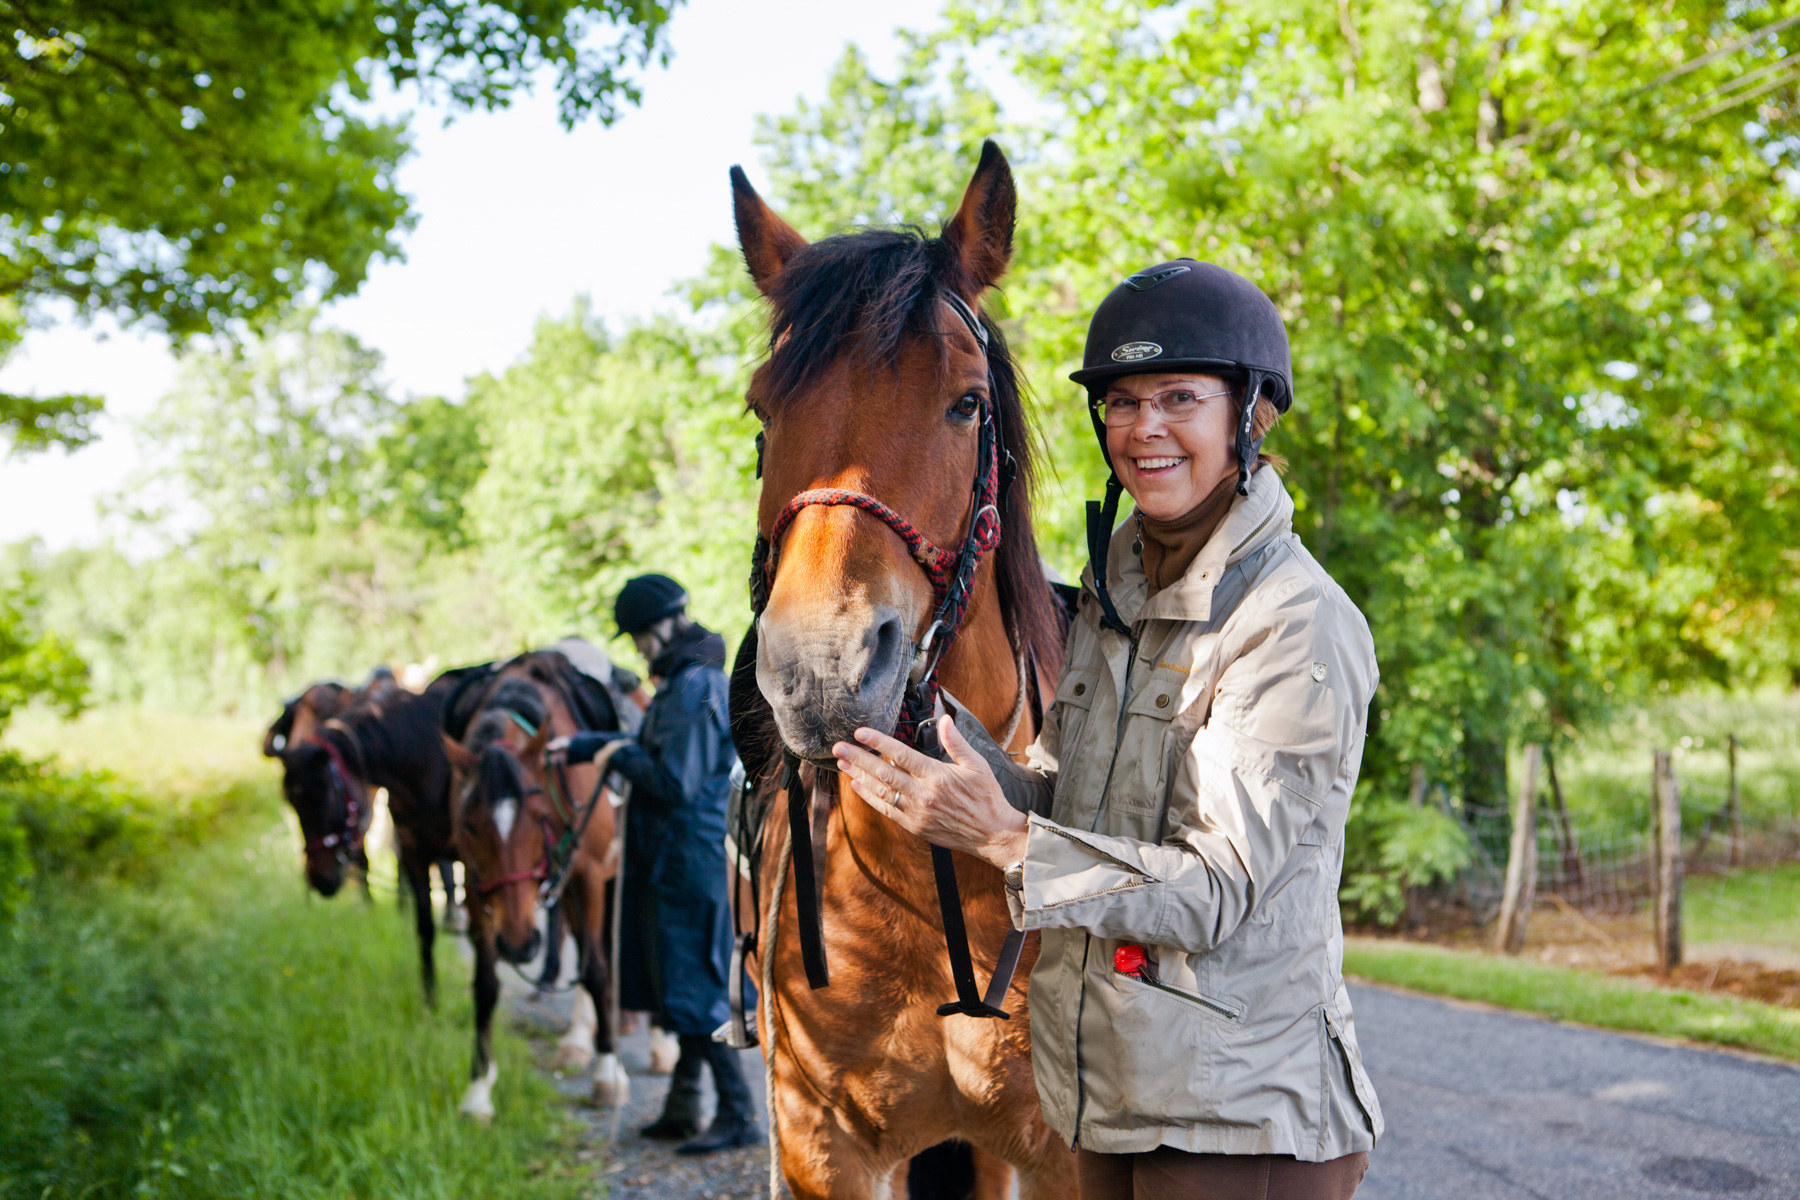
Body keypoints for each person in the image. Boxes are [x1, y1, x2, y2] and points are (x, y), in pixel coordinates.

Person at [832, 262, 1382, 1198]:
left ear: (1252, 416)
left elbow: (1212, 890)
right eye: (1122, 402)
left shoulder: (1294, 621)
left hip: (1239, 1119)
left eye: (1179, 398)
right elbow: (1070, 797)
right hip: (1112, 1099)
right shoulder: (1116, 594)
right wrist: (945, 732)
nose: (1144, 428)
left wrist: (1005, 840)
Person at [554, 573, 762, 1156]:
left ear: (664, 626)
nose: (639, 649)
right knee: (682, 984)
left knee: (695, 988)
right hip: (674, 858)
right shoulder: (684, 681)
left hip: (686, 860)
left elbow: (673, 780)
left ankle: (738, 1114)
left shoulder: (694, 686)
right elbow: (652, 749)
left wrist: (613, 754)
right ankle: (683, 1105)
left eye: (639, 637)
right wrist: (584, 746)